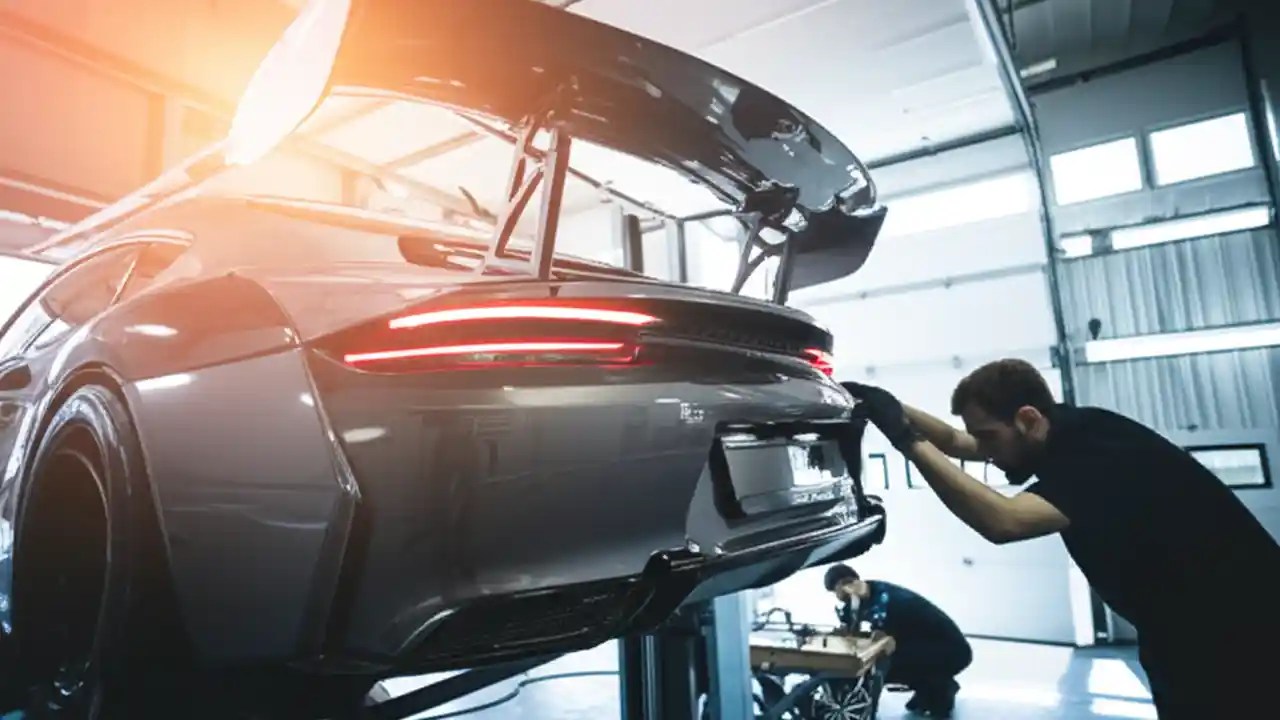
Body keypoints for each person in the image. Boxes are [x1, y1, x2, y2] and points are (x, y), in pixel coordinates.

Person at [842, 358, 1280, 719]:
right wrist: (884, 403)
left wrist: (906, 440)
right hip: (1187, 630)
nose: (987, 456)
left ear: (1028, 419)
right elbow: (960, 441)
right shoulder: (1068, 428)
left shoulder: (1094, 456)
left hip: (1235, 636)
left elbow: (1004, 521)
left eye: (990, 438)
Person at [824, 563, 971, 717]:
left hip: (952, 650)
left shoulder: (887, 598)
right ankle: (928, 690)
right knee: (888, 661)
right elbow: (849, 628)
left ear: (849, 583)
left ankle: (940, 690)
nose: (838, 595)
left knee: (883, 666)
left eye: (837, 588)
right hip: (923, 644)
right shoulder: (859, 599)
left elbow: (886, 641)